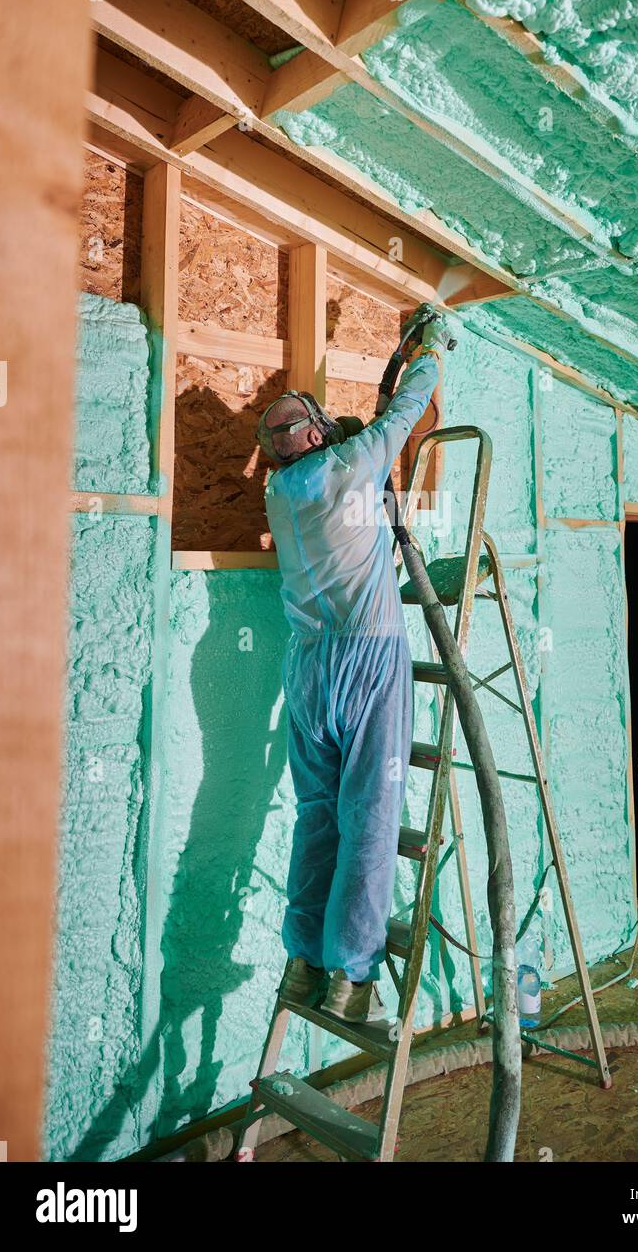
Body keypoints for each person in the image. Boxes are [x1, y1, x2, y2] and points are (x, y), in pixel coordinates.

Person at [257, 309, 456, 1022]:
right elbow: (405, 409)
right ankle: (353, 972)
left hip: (306, 669)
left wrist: (331, 436)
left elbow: (329, 458)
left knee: (319, 816)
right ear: (312, 435)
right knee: (370, 814)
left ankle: (303, 962)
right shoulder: (350, 464)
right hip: (368, 657)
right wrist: (429, 350)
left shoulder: (278, 493)